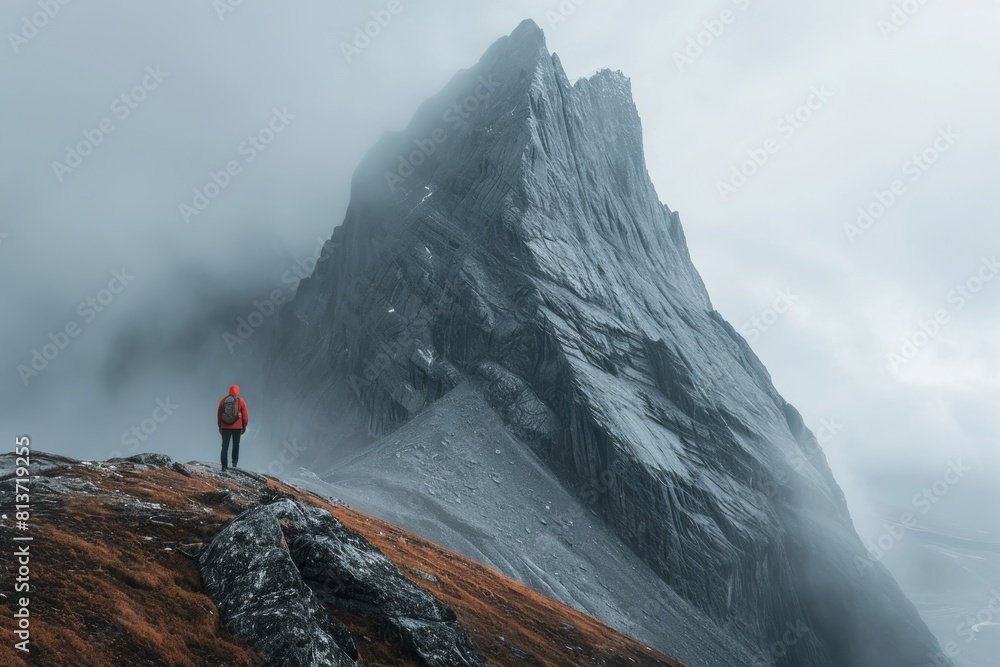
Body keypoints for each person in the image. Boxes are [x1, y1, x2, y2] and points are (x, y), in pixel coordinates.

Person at [217, 384, 249, 470]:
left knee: (224, 446)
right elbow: (245, 416)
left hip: (225, 427)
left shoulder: (223, 400)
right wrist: (244, 426)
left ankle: (224, 466)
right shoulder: (240, 401)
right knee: (236, 445)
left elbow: (219, 414)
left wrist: (220, 425)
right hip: (237, 428)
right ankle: (234, 464)